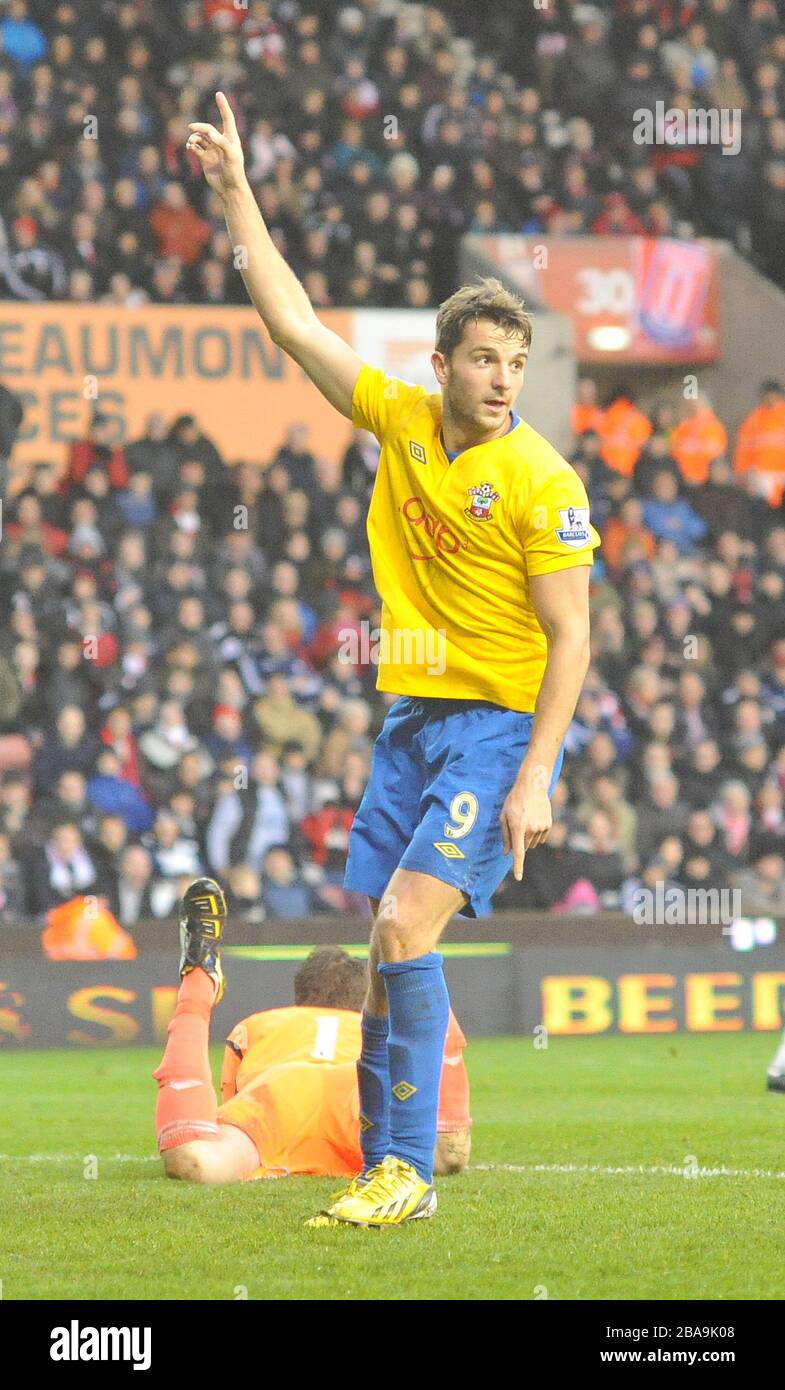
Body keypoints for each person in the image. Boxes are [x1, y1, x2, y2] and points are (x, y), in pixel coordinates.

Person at [187, 94, 598, 1227]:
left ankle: (406, 1171)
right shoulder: (400, 420)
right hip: (408, 722)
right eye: (483, 358)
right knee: (379, 946)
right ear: (442, 363)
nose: (504, 378)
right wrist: (234, 192)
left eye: (515, 360)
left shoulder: (542, 483)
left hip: (493, 725)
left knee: (404, 928)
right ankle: (385, 1154)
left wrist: (537, 772)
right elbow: (294, 323)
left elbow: (572, 635)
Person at [154, 880, 471, 1184]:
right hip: (361, 1099)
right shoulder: (375, 1028)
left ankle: (198, 983)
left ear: (299, 1001)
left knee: (196, 1160)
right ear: (359, 1004)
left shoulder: (255, 1025)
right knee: (448, 1155)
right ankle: (420, 955)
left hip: (276, 1100)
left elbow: (226, 1109)